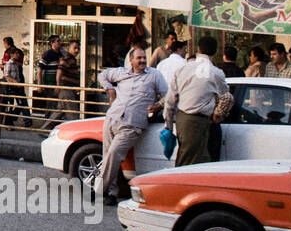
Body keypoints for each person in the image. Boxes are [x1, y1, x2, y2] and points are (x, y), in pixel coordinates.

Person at [95, 48, 169, 205]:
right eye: (139, 58)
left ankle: (99, 190)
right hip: (113, 118)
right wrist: (109, 89)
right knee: (108, 154)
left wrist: (157, 106)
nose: (142, 61)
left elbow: (168, 96)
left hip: (133, 124)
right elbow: (102, 75)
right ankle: (112, 193)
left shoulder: (154, 75)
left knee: (114, 154)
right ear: (131, 61)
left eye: (144, 58)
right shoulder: (122, 73)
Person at [164, 35, 229, 167]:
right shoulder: (216, 73)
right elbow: (226, 96)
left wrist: (168, 126)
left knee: (190, 160)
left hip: (183, 119)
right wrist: (219, 113)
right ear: (216, 52)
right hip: (197, 121)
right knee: (190, 163)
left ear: (198, 49)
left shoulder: (182, 69)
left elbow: (170, 101)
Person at [36, 35, 63, 117]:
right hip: (50, 83)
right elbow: (39, 70)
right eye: (58, 41)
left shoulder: (60, 54)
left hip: (58, 83)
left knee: (56, 104)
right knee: (51, 104)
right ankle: (48, 121)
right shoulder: (47, 54)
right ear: (52, 43)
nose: (60, 43)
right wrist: (40, 85)